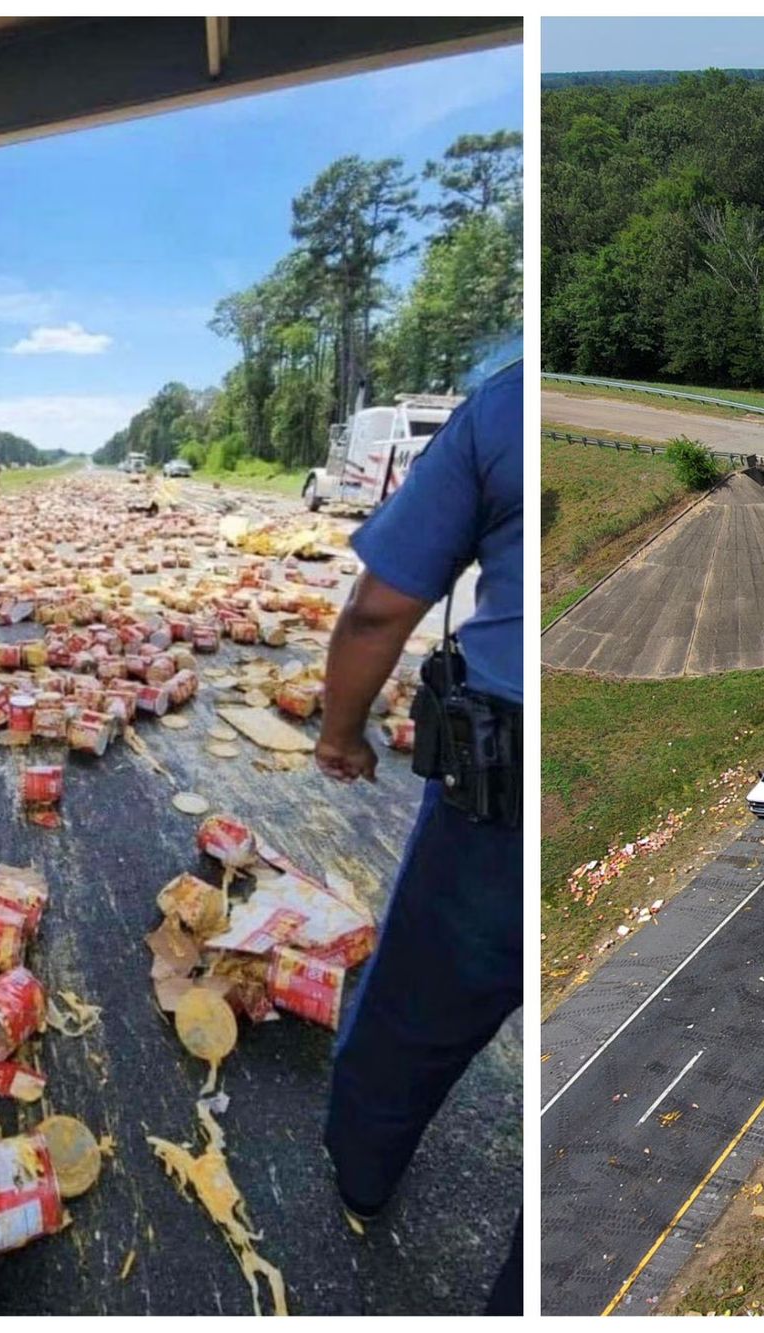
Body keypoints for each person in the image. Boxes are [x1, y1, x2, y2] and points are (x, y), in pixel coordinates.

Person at [315, 359, 522, 1314]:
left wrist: (340, 732)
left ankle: (361, 1172)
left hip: (501, 792)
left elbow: (381, 606)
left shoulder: (506, 402)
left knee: (416, 1009)